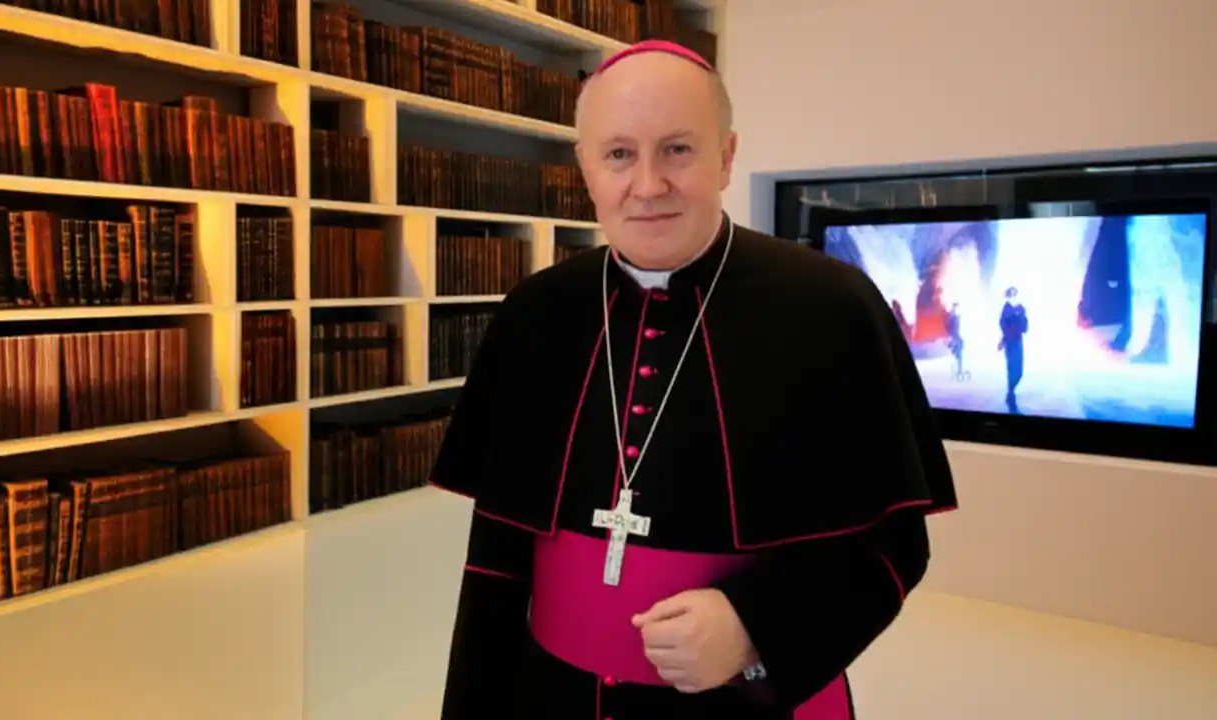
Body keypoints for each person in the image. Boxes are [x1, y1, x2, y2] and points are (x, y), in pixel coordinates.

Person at [429, 39, 958, 720]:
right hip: (550, 697)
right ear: (584, 167)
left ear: (726, 157)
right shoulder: (535, 314)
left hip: (746, 702)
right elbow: (497, 557)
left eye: (677, 149)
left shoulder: (832, 307)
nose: (647, 185)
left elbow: (895, 545)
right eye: (618, 153)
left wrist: (756, 629)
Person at [998, 287, 1028, 413]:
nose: (1013, 296)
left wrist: (1021, 315)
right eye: (1011, 294)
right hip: (1010, 343)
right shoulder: (1006, 309)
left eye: (1015, 294)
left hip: (1018, 342)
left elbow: (1025, 327)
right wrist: (1006, 337)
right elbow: (1003, 324)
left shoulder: (1020, 309)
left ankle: (1010, 393)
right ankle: (1011, 396)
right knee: (1011, 370)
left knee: (1019, 371)